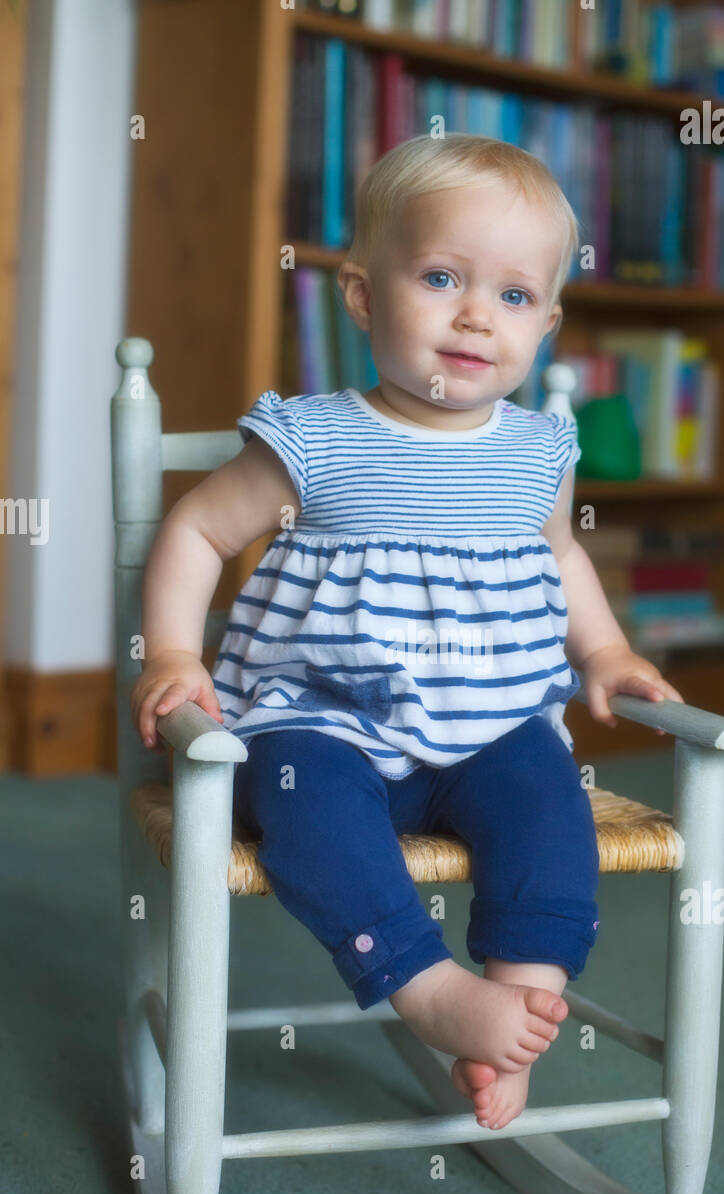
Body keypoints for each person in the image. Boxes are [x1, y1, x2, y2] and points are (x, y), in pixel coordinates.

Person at [131, 134, 684, 1132]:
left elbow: (561, 558)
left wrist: (600, 648)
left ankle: (517, 1003)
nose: (478, 314)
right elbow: (199, 528)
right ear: (361, 295)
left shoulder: (537, 450)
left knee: (550, 806)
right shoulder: (318, 435)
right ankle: (427, 987)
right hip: (320, 722)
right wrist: (174, 652)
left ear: (549, 323)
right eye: (440, 277)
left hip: (489, 729)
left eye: (515, 297)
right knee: (311, 809)